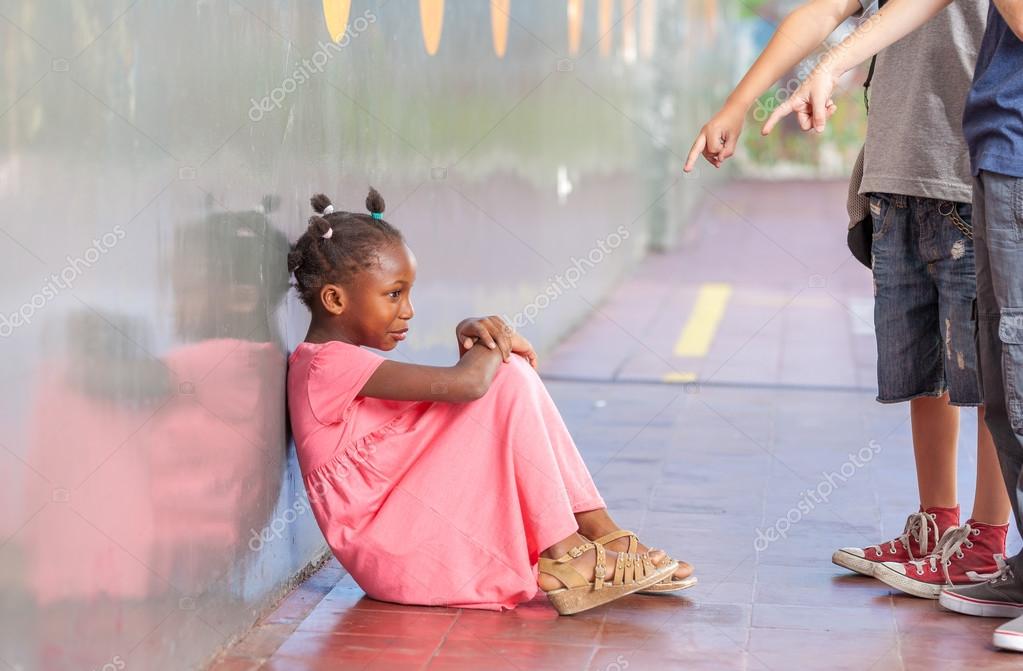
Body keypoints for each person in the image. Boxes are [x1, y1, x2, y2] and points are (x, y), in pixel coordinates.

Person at [685, 0, 1009, 600]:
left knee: (990, 369)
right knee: (923, 368)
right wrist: (736, 105)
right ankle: (935, 524)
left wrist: (829, 68)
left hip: (972, 172)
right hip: (895, 172)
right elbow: (816, 14)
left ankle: (985, 543)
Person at [284, 188, 696, 615]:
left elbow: (449, 404)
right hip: (397, 551)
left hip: (409, 529)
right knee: (506, 377)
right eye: (393, 295)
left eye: (408, 294)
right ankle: (568, 551)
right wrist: (486, 335)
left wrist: (479, 339)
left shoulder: (340, 364)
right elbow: (466, 385)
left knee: (506, 374)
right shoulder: (325, 366)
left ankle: (594, 531)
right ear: (335, 299)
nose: (407, 311)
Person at [763, 0, 1023, 651]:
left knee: (1008, 363)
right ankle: (968, 537)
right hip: (959, 155)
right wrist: (825, 67)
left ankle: (987, 539)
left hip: (986, 161)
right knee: (970, 371)